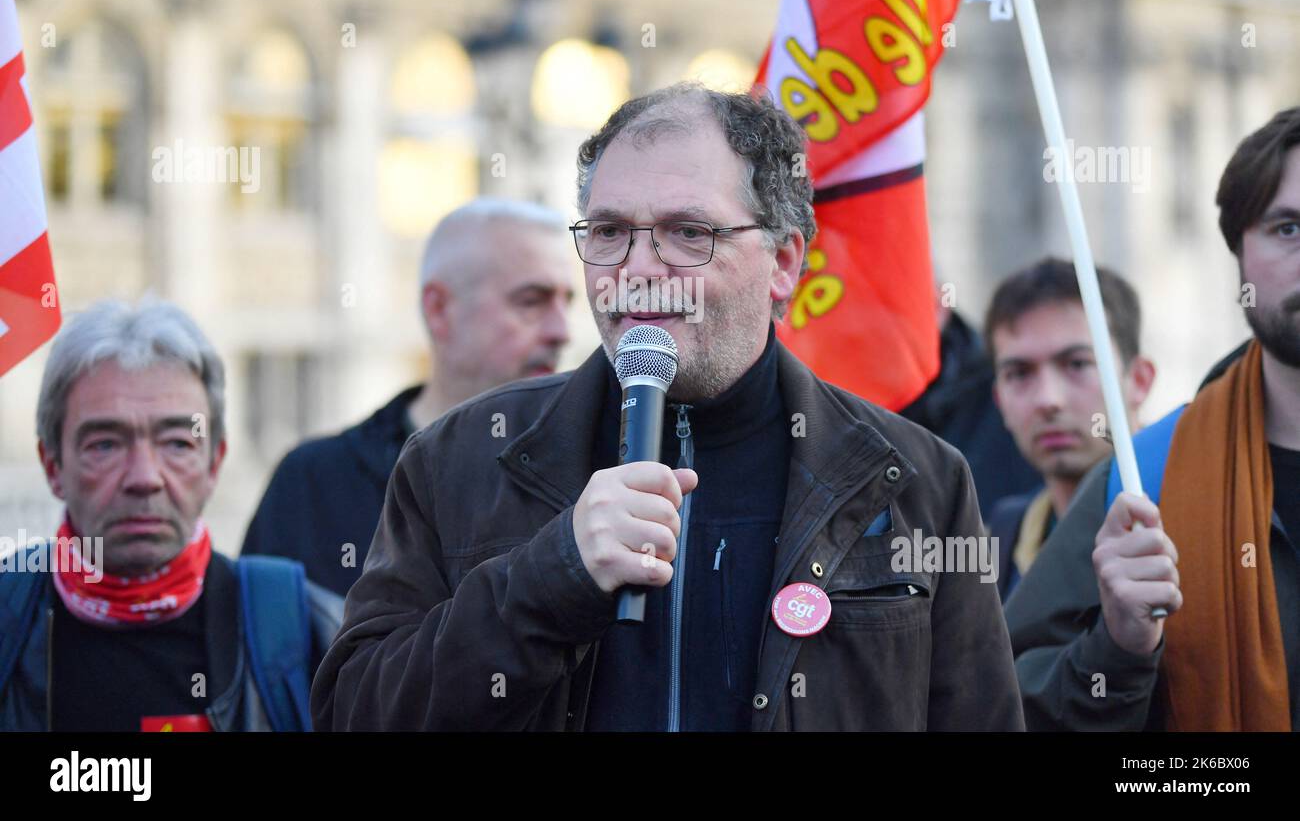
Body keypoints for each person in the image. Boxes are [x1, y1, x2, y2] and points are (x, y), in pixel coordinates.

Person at [311, 82, 1024, 731]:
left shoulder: (915, 478)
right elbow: (355, 713)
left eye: (690, 232)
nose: (640, 269)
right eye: (610, 232)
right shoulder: (457, 458)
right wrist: (550, 576)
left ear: (783, 264)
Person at [1006, 106, 1300, 730]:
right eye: (1287, 228)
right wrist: (1117, 647)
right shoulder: (1143, 482)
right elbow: (1004, 706)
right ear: (1239, 256)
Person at [0, 299, 341, 732]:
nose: (145, 478)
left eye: (178, 443)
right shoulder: (8, 622)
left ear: (214, 462)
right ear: (52, 467)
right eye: (104, 444)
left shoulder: (316, 637)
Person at [241, 198, 575, 597]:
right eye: (531, 301)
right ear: (439, 310)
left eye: (566, 302)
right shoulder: (314, 484)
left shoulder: (589, 476)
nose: (561, 331)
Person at [983, 258, 1155, 600]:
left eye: (1077, 364)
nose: (1048, 400)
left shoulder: (1207, 514)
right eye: (1019, 373)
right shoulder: (999, 540)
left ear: (1138, 380)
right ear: (999, 399)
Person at [900, 291, 1040, 519]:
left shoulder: (1002, 392)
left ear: (938, 305)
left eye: (1077, 364)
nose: (1049, 400)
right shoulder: (831, 414)